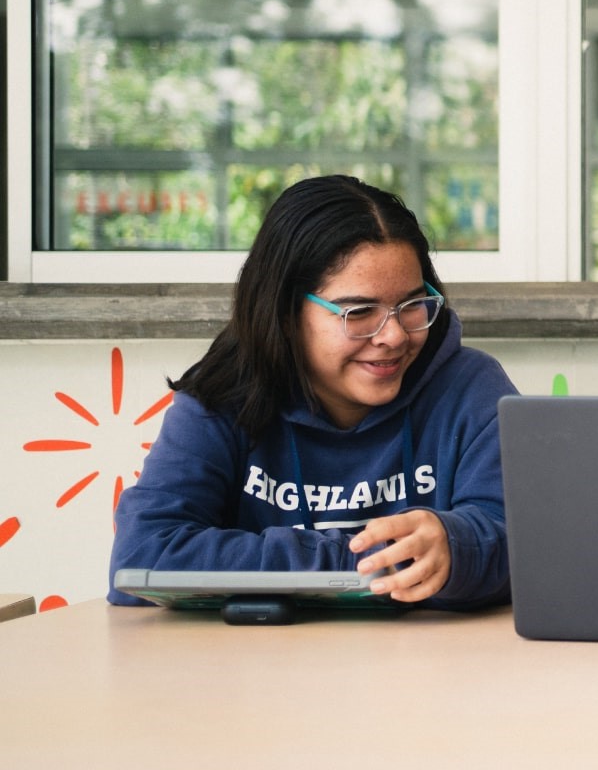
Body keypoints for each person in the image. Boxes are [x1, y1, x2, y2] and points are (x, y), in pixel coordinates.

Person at [108, 174, 517, 610]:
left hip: (426, 653)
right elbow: (142, 554)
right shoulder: (221, 396)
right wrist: (375, 562)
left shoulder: (471, 388)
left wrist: (457, 546)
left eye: (412, 305)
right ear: (285, 313)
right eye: (359, 311)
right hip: (253, 653)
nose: (395, 335)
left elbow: (532, 543)